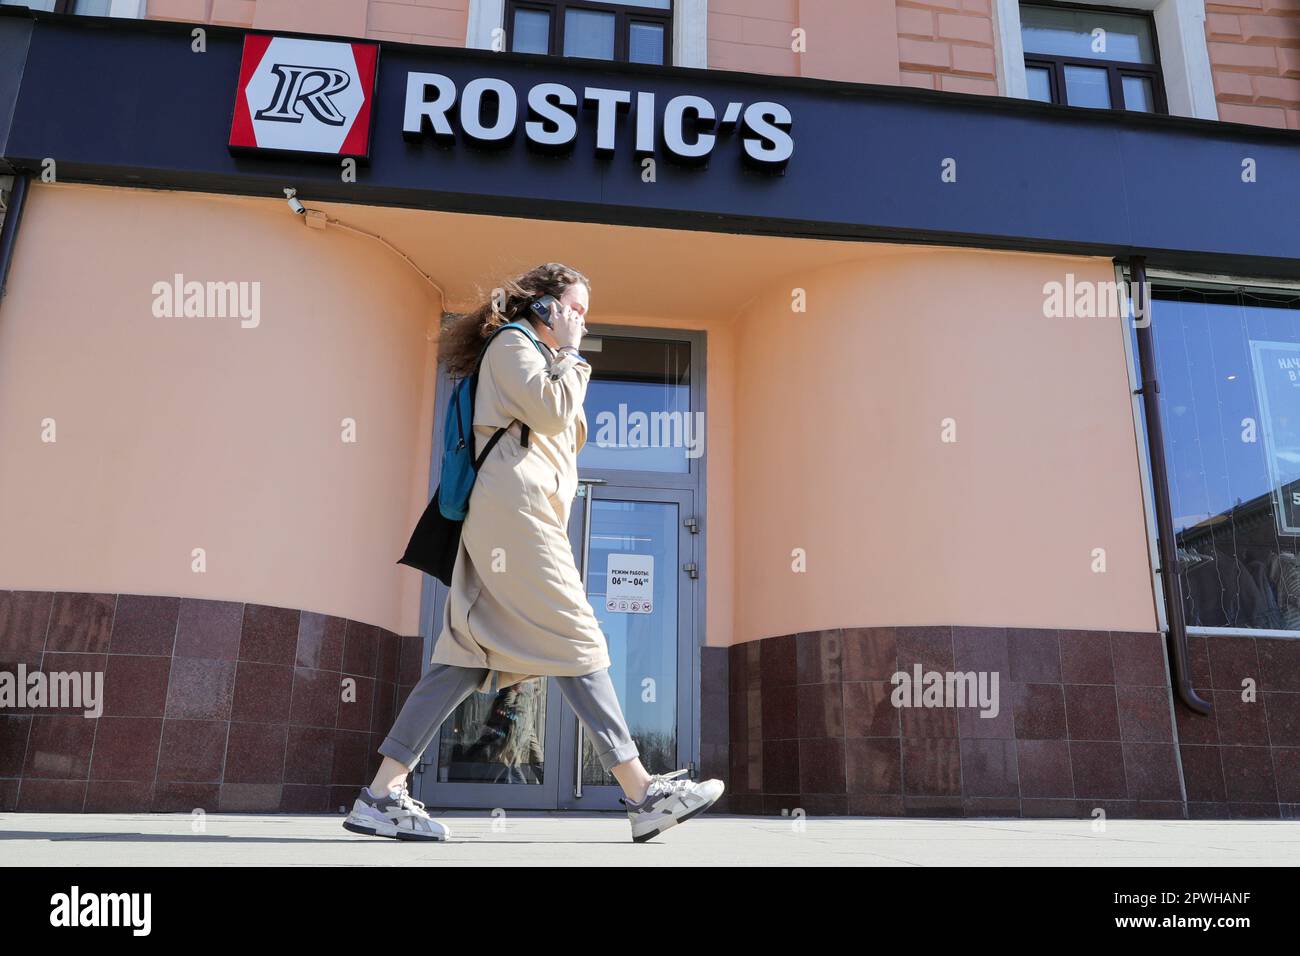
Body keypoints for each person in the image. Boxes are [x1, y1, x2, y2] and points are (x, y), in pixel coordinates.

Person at [343, 262, 724, 843]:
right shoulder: (513, 345)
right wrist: (575, 356)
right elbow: (549, 411)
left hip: (517, 518)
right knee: (577, 634)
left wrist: (566, 359)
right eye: (574, 307)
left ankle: (379, 794)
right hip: (513, 519)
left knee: (465, 658)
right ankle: (642, 793)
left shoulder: (533, 356)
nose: (581, 320)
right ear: (543, 305)